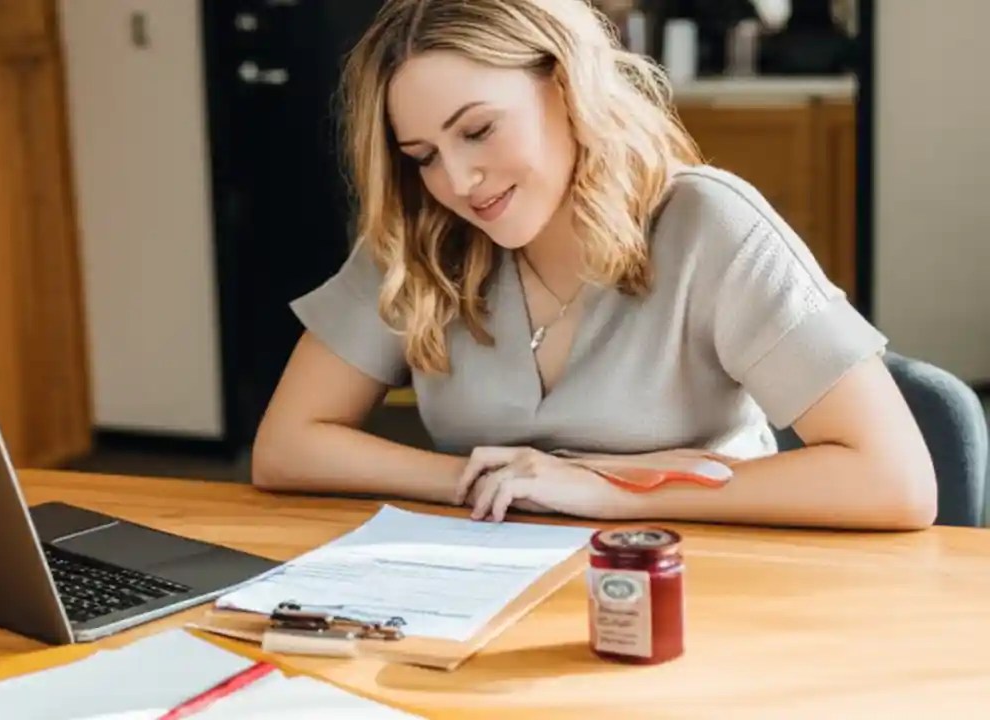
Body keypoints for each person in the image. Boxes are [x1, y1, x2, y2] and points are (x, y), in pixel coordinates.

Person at [250, 0, 936, 530]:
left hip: (708, 585)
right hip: (498, 589)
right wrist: (497, 479)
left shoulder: (708, 226)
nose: (458, 181)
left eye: (479, 129)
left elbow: (896, 481)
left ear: (566, 85)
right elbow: (286, 448)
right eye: (423, 155)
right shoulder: (425, 235)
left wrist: (607, 490)